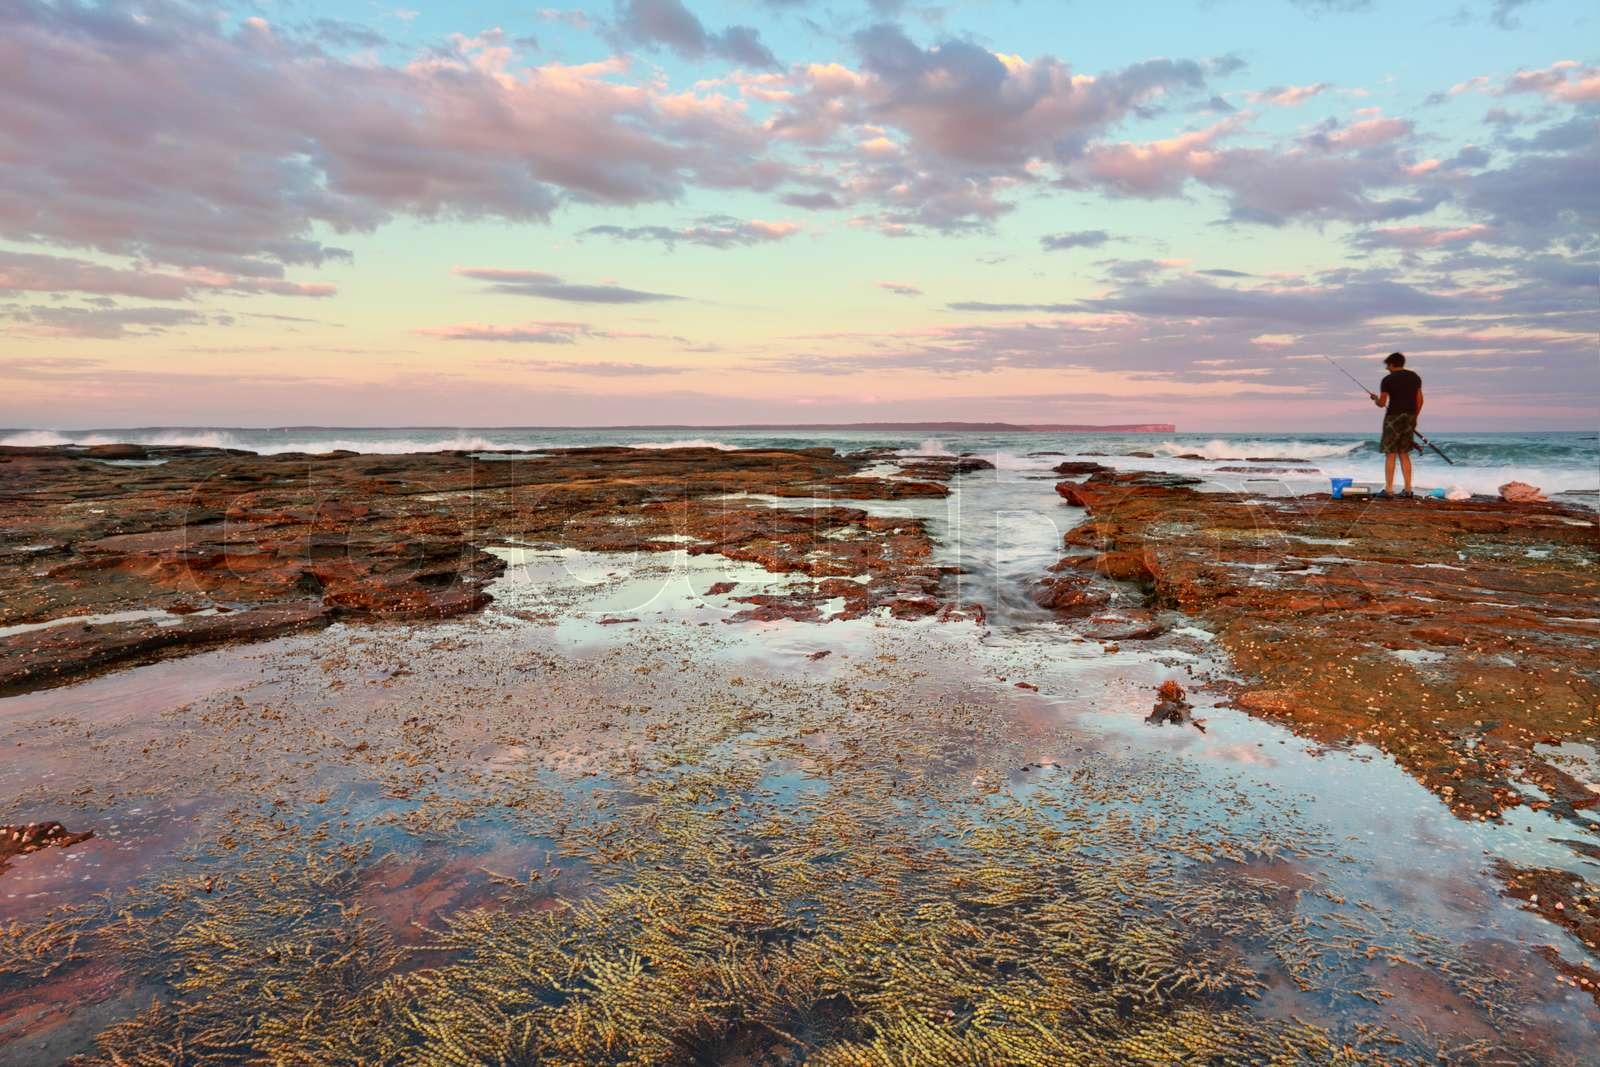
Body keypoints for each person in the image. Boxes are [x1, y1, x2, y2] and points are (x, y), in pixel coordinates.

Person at [1370, 352, 1423, 498]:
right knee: (1404, 453)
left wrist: (1374, 399)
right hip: (1410, 416)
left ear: (1392, 364)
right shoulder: (1414, 377)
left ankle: (1389, 490)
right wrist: (1414, 417)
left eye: (1388, 365)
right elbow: (1420, 400)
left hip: (1393, 417)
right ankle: (1407, 490)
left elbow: (1382, 403)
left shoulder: (1387, 379)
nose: (1387, 368)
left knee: (1391, 453)